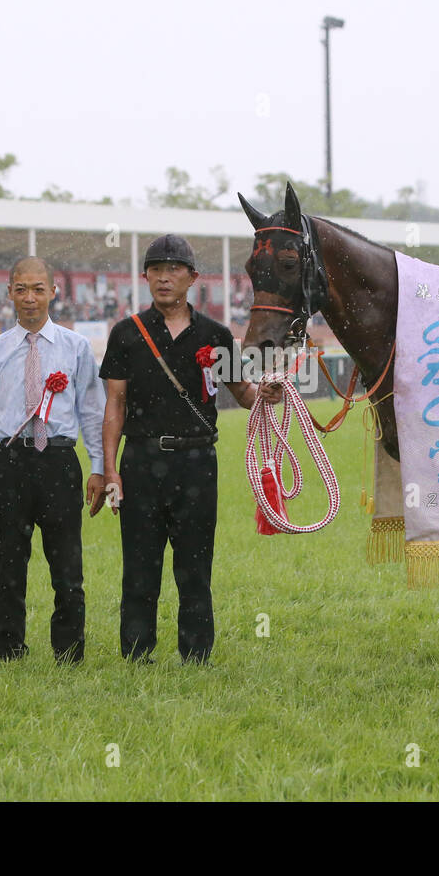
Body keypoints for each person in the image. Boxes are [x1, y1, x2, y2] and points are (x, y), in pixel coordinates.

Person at [93, 235, 280, 664]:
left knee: (195, 567)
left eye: (174, 269)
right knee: (140, 566)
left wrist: (267, 392)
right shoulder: (126, 333)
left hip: (197, 462)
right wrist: (111, 470)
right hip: (140, 461)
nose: (164, 277)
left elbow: (244, 392)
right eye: (156, 269)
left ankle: (196, 654)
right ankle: (137, 654)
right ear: (145, 277)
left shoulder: (214, 335)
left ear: (192, 278)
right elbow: (115, 405)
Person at [0, 256, 106, 663]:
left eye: (38, 289)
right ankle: (8, 649)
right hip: (10, 462)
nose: (30, 298)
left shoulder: (76, 348)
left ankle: (69, 650)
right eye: (22, 289)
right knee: (9, 563)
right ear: (9, 292)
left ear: (53, 292)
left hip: (60, 462)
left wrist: (97, 466)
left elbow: (92, 413)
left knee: (67, 566)